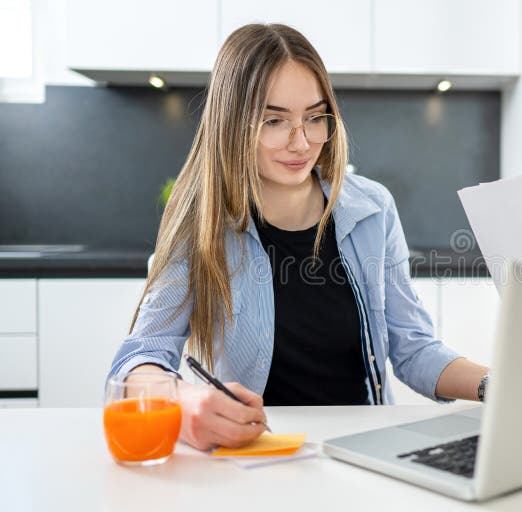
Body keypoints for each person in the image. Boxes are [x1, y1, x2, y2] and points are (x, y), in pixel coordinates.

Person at [109, 24, 489, 451]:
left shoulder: (373, 209)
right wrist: (183, 401)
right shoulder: (200, 221)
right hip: (252, 455)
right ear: (232, 123)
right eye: (274, 120)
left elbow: (413, 348)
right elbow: (137, 361)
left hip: (365, 449)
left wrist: (496, 385)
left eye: (314, 117)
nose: (302, 141)